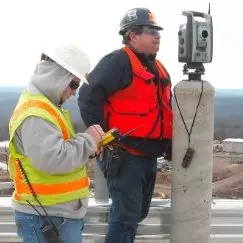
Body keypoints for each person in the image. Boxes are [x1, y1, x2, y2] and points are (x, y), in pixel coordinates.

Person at [78, 8, 173, 243]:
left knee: (137, 213)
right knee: (126, 216)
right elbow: (88, 93)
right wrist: (99, 132)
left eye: (158, 31)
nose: (157, 36)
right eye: (150, 31)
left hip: (148, 155)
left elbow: (163, 111)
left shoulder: (157, 67)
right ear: (132, 35)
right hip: (124, 154)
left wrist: (170, 143)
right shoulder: (118, 61)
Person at [8, 44, 105, 243]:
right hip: (45, 216)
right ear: (58, 76)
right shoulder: (36, 113)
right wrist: (88, 141)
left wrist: (88, 147)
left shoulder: (47, 106)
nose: (74, 92)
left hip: (54, 214)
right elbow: (53, 159)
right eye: (73, 85)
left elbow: (57, 148)